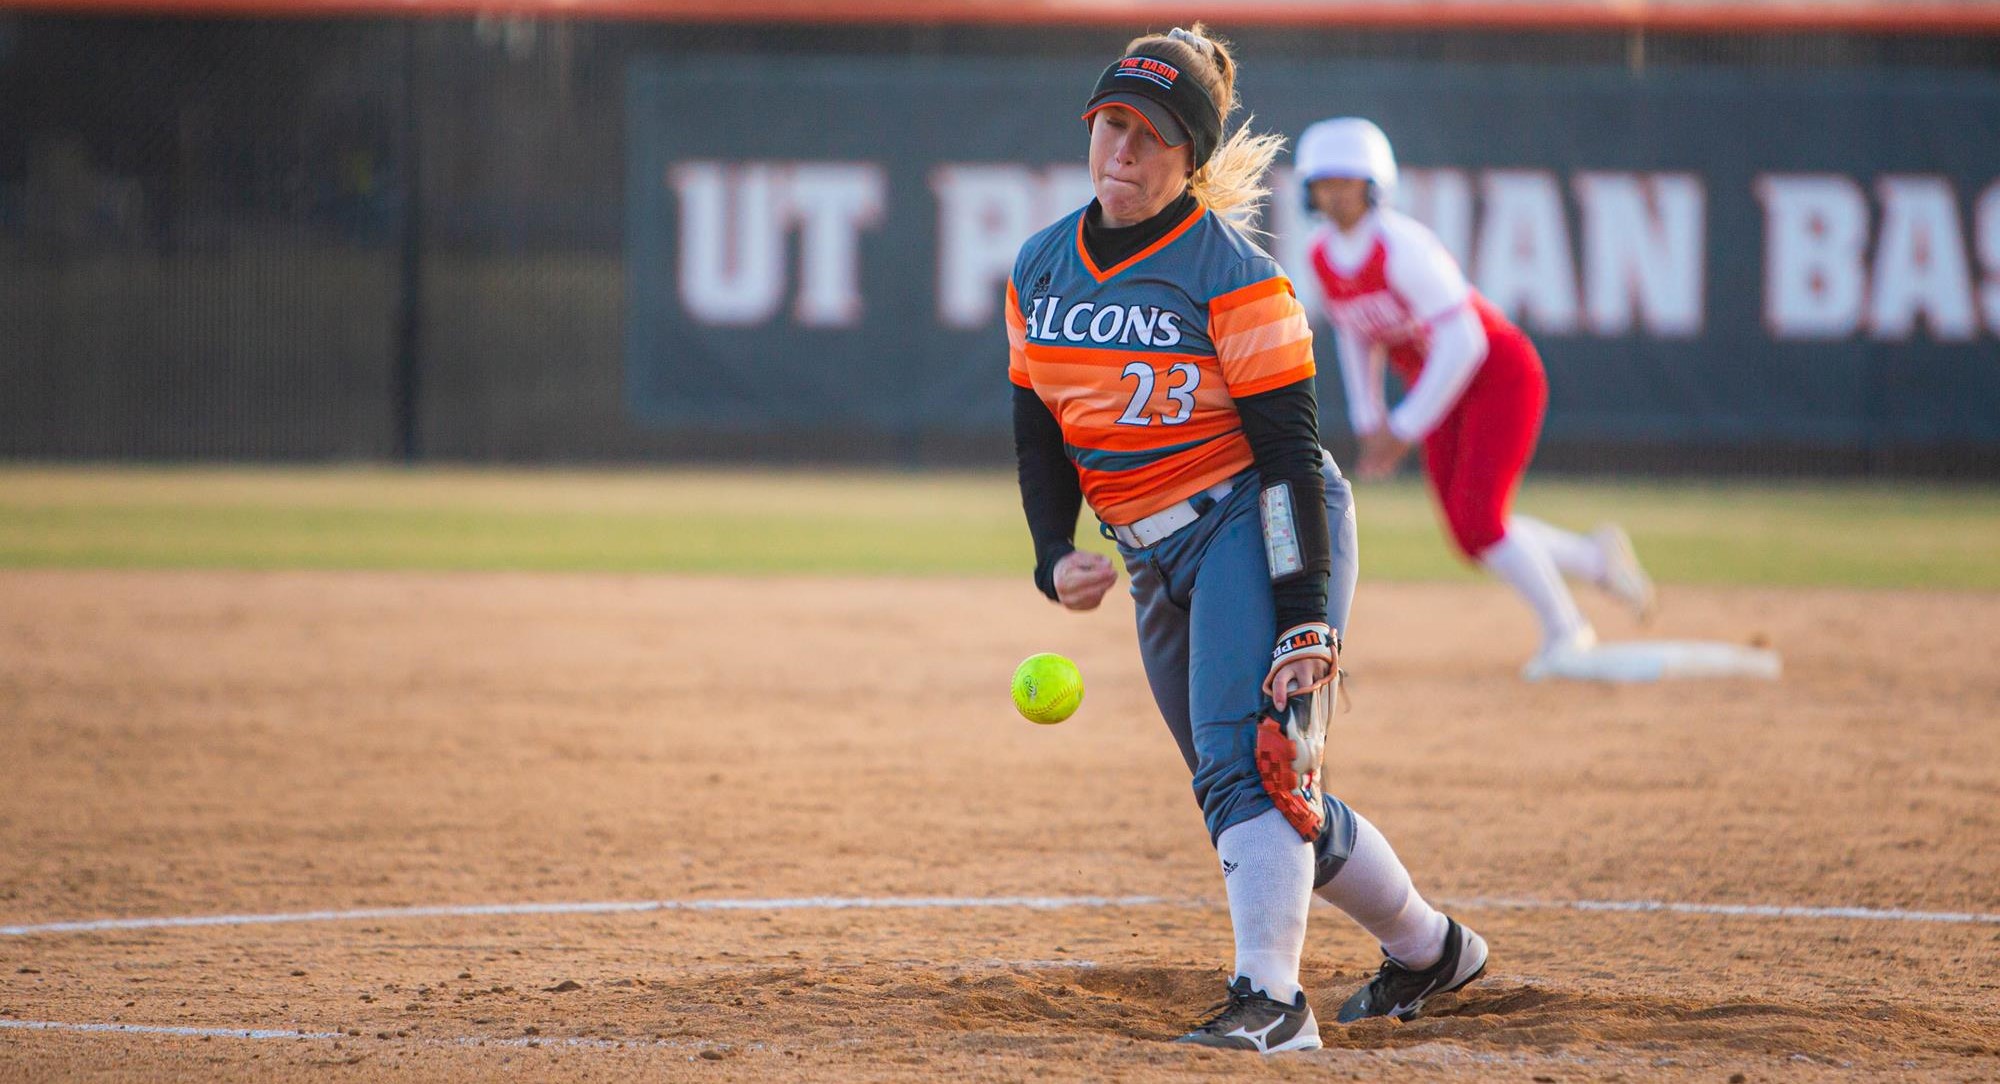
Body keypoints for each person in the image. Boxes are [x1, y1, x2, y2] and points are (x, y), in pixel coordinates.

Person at [1008, 26, 1487, 1053]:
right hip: (1149, 554)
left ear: (1191, 160)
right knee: (1249, 792)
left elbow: (1285, 458)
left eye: (1146, 137)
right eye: (1109, 128)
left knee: (1251, 767)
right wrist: (1053, 550)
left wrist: (1303, 613)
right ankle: (1429, 948)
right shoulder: (1039, 266)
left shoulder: (1235, 276)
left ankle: (1271, 1002)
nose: (1120, 155)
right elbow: (1036, 422)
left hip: (1252, 520)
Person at [1295, 117, 1657, 681]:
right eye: (1323, 183)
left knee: (1482, 520)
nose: (1335, 194)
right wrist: (1372, 419)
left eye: (1347, 180)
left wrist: (1405, 424)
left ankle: (1568, 632)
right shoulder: (1321, 255)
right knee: (1470, 533)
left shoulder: (1402, 246)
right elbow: (1355, 334)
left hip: (1497, 375)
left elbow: (1465, 340)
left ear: (1374, 184)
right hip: (1444, 390)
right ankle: (1594, 560)